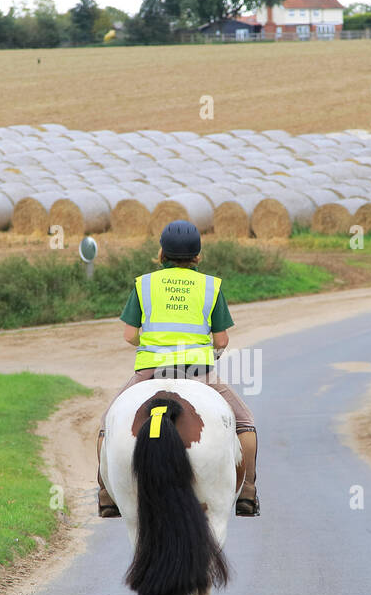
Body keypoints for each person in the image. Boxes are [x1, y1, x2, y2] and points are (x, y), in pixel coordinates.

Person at [97, 220, 259, 517]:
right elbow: (221, 339)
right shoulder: (211, 285)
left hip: (151, 370)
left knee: (107, 423)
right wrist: (213, 352)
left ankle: (106, 494)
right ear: (197, 255)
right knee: (245, 422)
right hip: (197, 370)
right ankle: (247, 491)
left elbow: (129, 334)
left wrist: (155, 347)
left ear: (161, 253)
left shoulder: (144, 283)